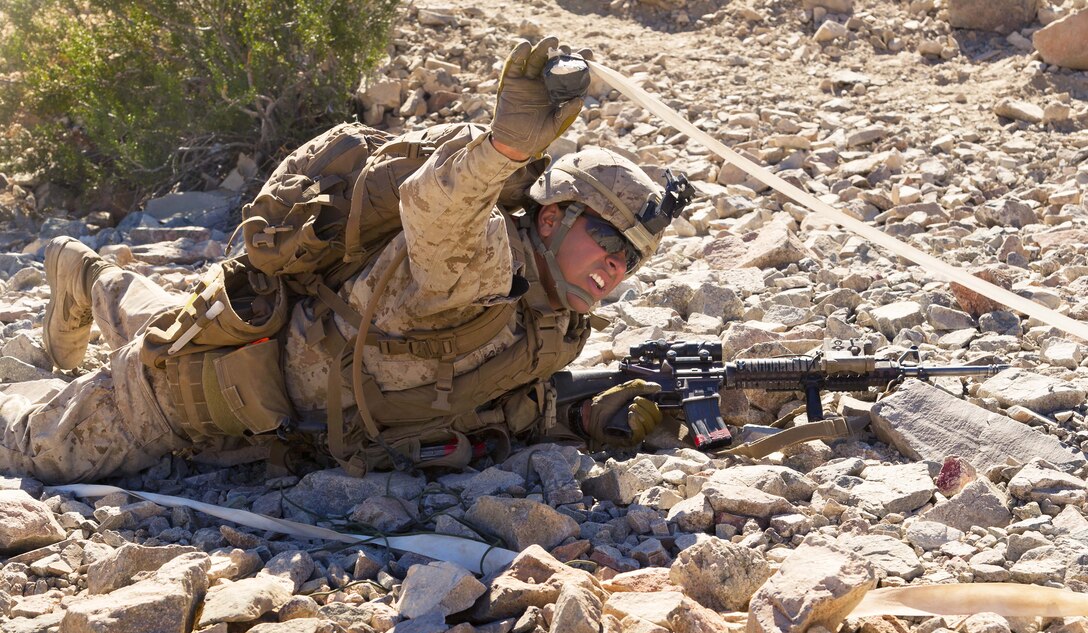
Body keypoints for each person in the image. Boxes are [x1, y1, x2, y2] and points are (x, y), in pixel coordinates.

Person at [0, 37, 690, 484]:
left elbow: (484, 387)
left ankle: (81, 272)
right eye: (607, 239)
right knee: (32, 445)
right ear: (550, 216)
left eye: (631, 258)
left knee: (155, 312)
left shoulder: (552, 313)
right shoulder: (486, 261)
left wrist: (584, 416)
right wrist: (502, 151)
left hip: (264, 371)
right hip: (186, 400)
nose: (616, 267)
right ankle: (77, 286)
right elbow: (436, 208)